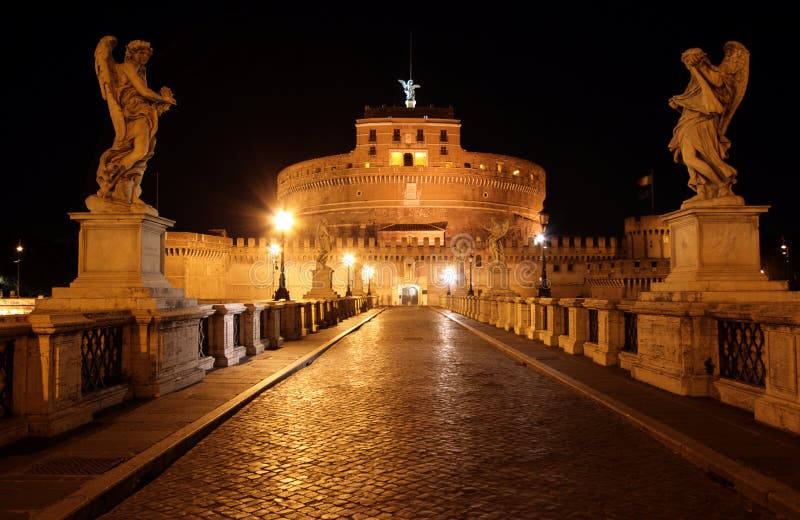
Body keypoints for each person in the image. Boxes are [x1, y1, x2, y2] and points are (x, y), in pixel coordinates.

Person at [93, 36, 177, 206]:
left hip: (144, 113)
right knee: (140, 150)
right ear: (131, 54)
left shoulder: (141, 71)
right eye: (140, 53)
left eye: (146, 54)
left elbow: (145, 97)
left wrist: (160, 104)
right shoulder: (127, 67)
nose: (144, 57)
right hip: (134, 113)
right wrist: (163, 99)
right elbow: (143, 91)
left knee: (144, 154)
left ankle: (129, 193)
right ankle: (110, 180)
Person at [668, 41, 749, 202]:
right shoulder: (694, 80)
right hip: (688, 120)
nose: (687, 66)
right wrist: (678, 105)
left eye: (689, 61)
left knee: (705, 154)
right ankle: (703, 189)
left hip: (703, 121)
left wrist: (698, 70)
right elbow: (695, 101)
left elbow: (716, 86)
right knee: (688, 157)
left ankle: (721, 184)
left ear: (697, 59)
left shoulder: (714, 73)